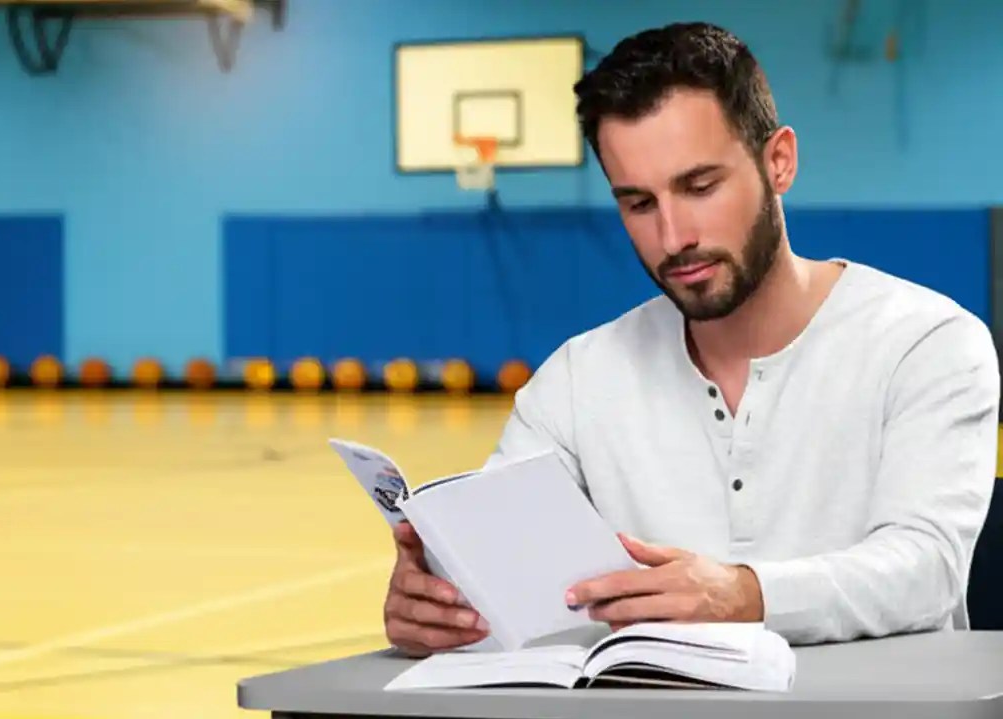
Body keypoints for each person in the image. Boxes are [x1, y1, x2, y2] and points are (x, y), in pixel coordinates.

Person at [382, 21, 1000, 656]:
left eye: (699, 187)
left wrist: (748, 596)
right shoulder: (577, 379)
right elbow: (503, 565)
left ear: (778, 161)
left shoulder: (926, 343)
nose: (673, 236)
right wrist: (443, 601)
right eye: (638, 204)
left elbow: (929, 571)